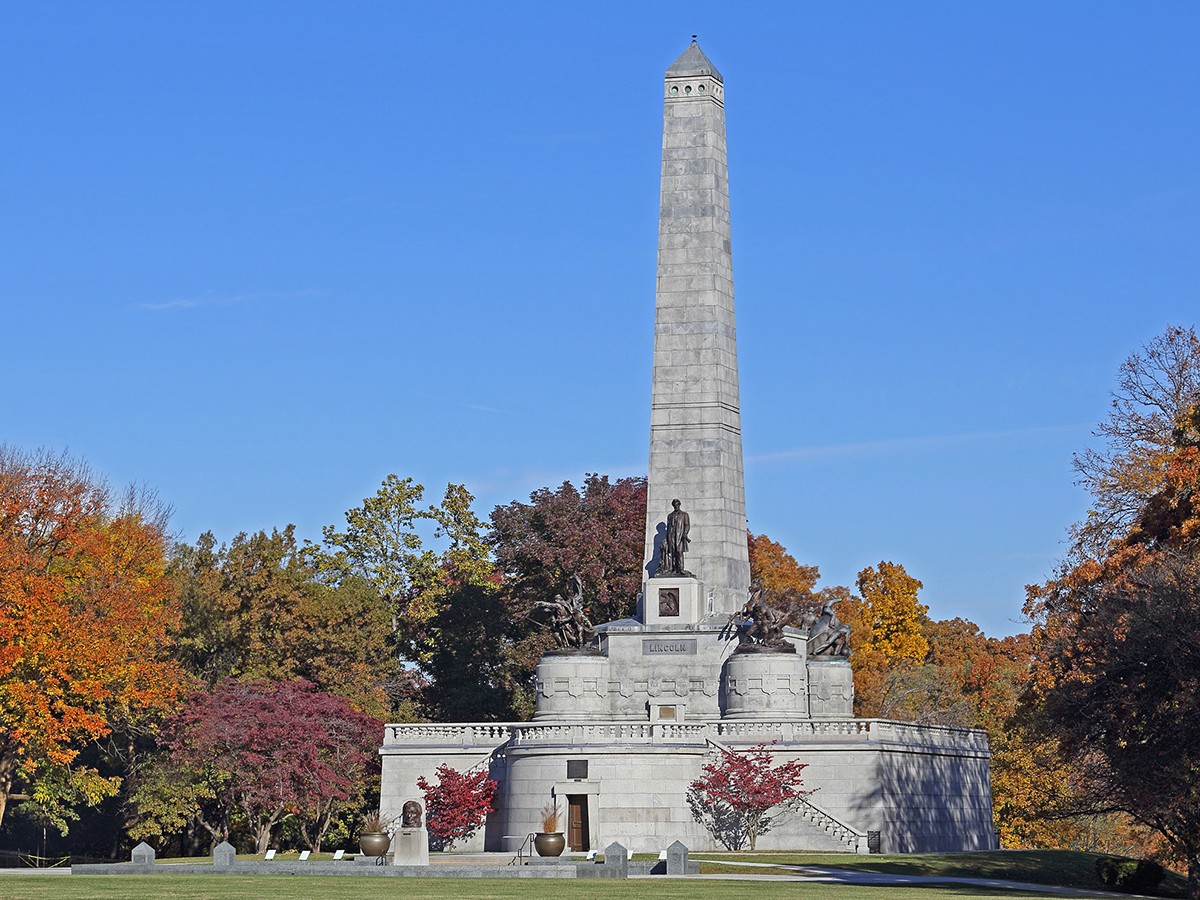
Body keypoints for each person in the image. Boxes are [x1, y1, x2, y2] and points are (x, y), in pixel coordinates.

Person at [663, 499, 691, 576]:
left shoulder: (684, 515)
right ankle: (672, 569)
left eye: (677, 504)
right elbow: (669, 527)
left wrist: (685, 533)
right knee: (672, 552)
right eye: (675, 505)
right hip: (671, 536)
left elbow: (687, 525)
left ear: (679, 504)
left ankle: (681, 569)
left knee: (679, 552)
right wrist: (666, 539)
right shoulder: (670, 515)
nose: (676, 506)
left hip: (680, 536)